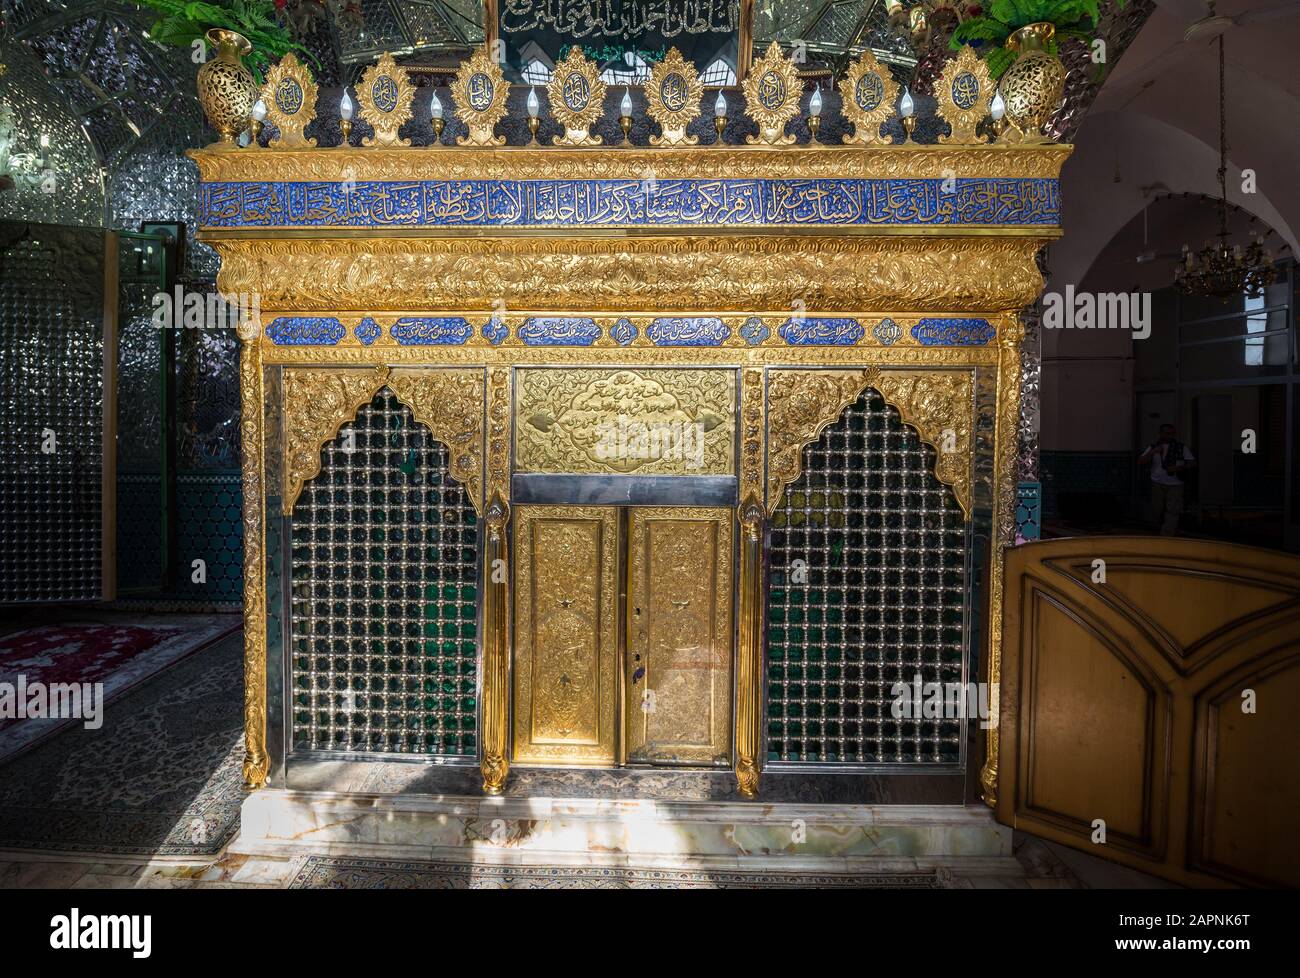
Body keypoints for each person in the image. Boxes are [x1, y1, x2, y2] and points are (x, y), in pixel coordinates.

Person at [1139, 423, 1195, 535]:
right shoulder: (1154, 447)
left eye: (1172, 434)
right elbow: (1141, 461)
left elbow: (1192, 463)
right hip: (1157, 482)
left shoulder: (1181, 447)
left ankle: (1167, 534)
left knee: (1173, 510)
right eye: (1167, 433)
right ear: (1161, 434)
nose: (1170, 436)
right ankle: (1155, 529)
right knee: (1156, 509)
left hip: (1176, 483)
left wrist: (1178, 468)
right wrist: (1153, 452)